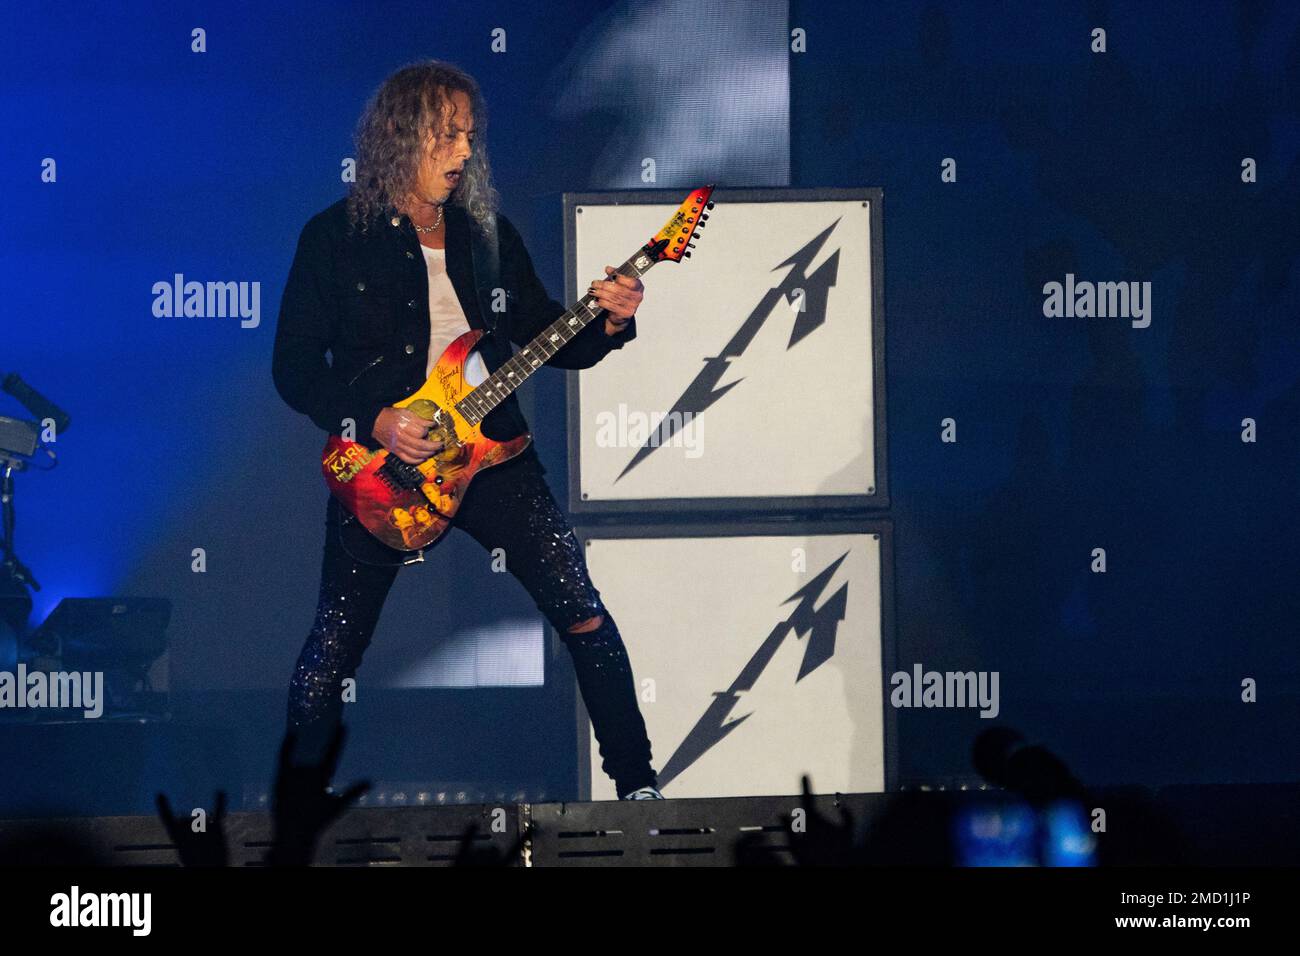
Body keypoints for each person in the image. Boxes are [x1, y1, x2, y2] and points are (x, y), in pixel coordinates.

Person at [271, 60, 662, 800]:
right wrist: (375, 420)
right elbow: (293, 366)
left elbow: (554, 336)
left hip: (493, 457)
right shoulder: (333, 238)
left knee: (581, 611)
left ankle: (639, 788)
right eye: (445, 136)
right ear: (399, 137)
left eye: (469, 138)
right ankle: (296, 815)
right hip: (383, 469)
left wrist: (610, 319)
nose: (462, 153)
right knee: (334, 647)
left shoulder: (487, 237)